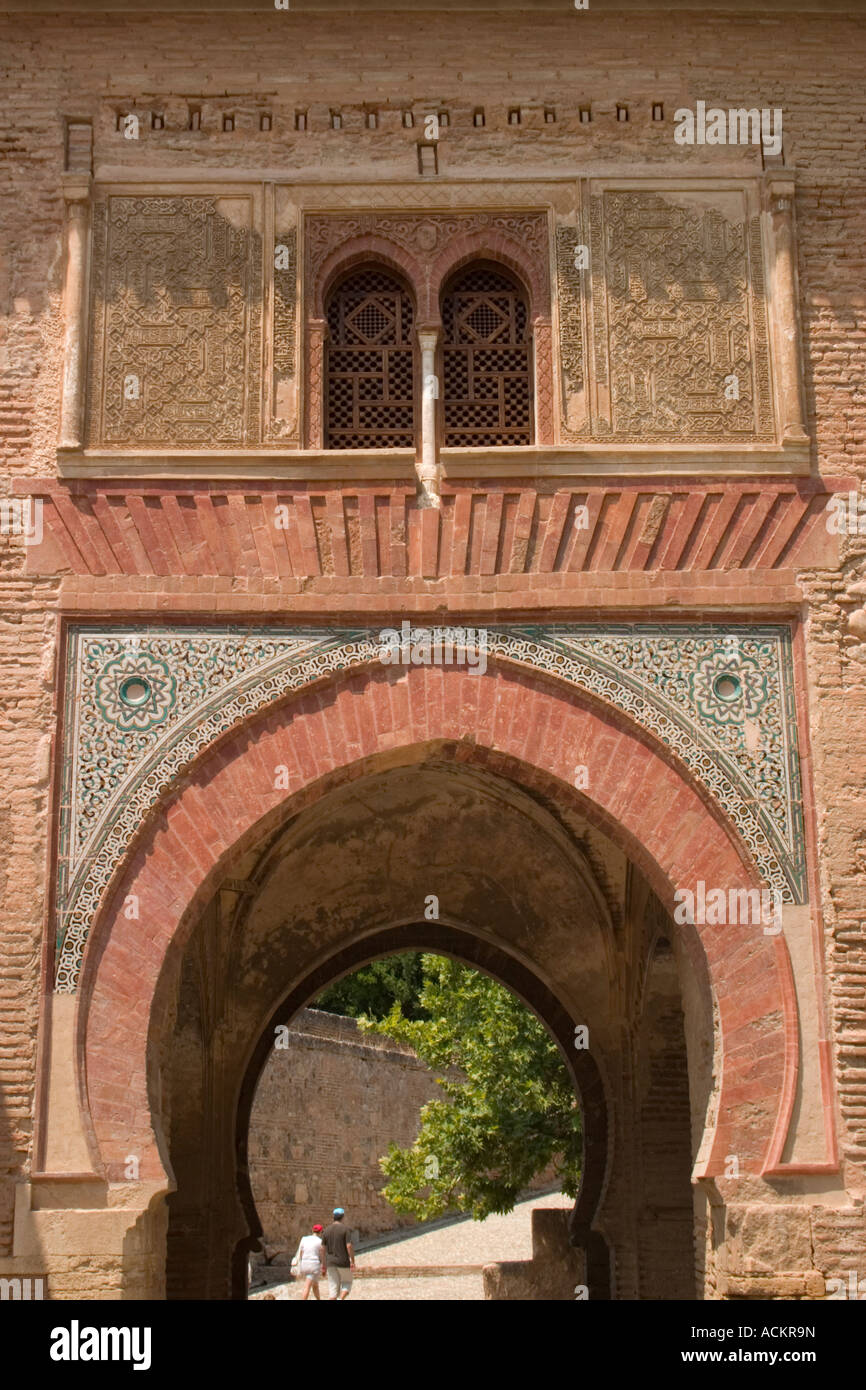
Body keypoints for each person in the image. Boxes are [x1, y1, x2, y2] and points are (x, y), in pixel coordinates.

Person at [322, 1207, 355, 1300]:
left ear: (333, 1217)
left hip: (330, 1263)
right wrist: (352, 1261)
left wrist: (323, 1264)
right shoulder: (345, 1230)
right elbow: (349, 1246)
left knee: (333, 1289)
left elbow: (322, 1249)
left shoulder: (326, 1231)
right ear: (343, 1217)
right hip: (343, 1262)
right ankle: (341, 1298)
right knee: (347, 1282)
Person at [293, 1222, 326, 1301]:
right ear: (321, 1232)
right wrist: (324, 1266)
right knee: (307, 1286)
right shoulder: (320, 1241)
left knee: (315, 1285)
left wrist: (301, 1263)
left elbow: (300, 1252)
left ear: (312, 1230)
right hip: (313, 1264)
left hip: (304, 1263)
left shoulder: (304, 1238)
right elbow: (322, 1255)